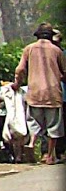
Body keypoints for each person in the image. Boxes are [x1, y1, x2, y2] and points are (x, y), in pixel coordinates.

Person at [13, 22, 66, 165]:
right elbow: (64, 72)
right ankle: (49, 156)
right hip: (53, 94)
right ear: (50, 36)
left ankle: (31, 143)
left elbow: (20, 70)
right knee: (53, 127)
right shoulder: (57, 51)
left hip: (34, 93)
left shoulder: (29, 49)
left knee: (34, 123)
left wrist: (17, 84)